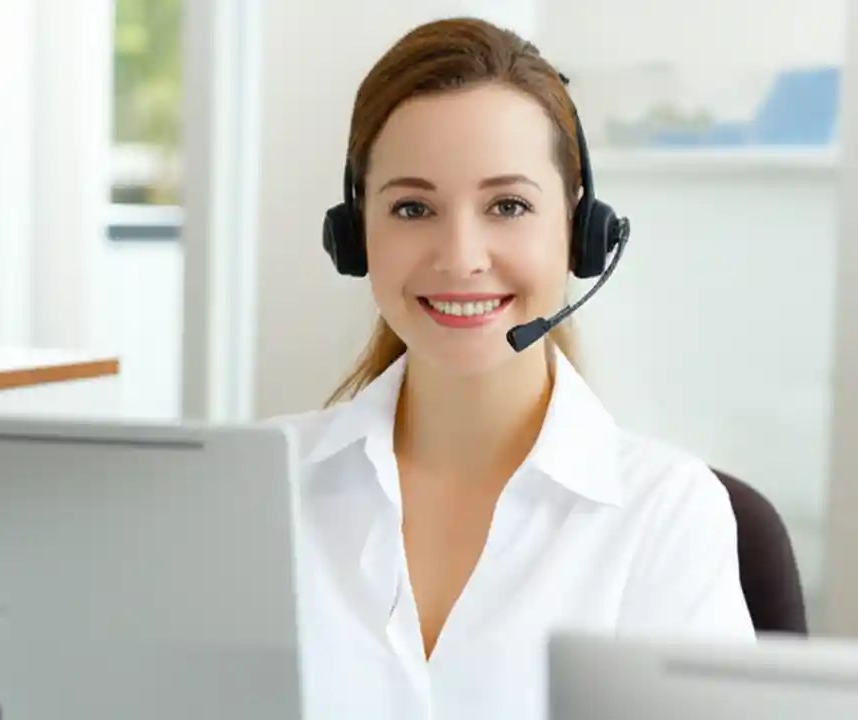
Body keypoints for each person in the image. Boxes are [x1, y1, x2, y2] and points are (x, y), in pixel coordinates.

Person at [273, 16, 756, 720]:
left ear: (581, 233)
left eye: (508, 205)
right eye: (413, 207)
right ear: (353, 236)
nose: (461, 255)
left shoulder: (667, 516)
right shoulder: (263, 485)